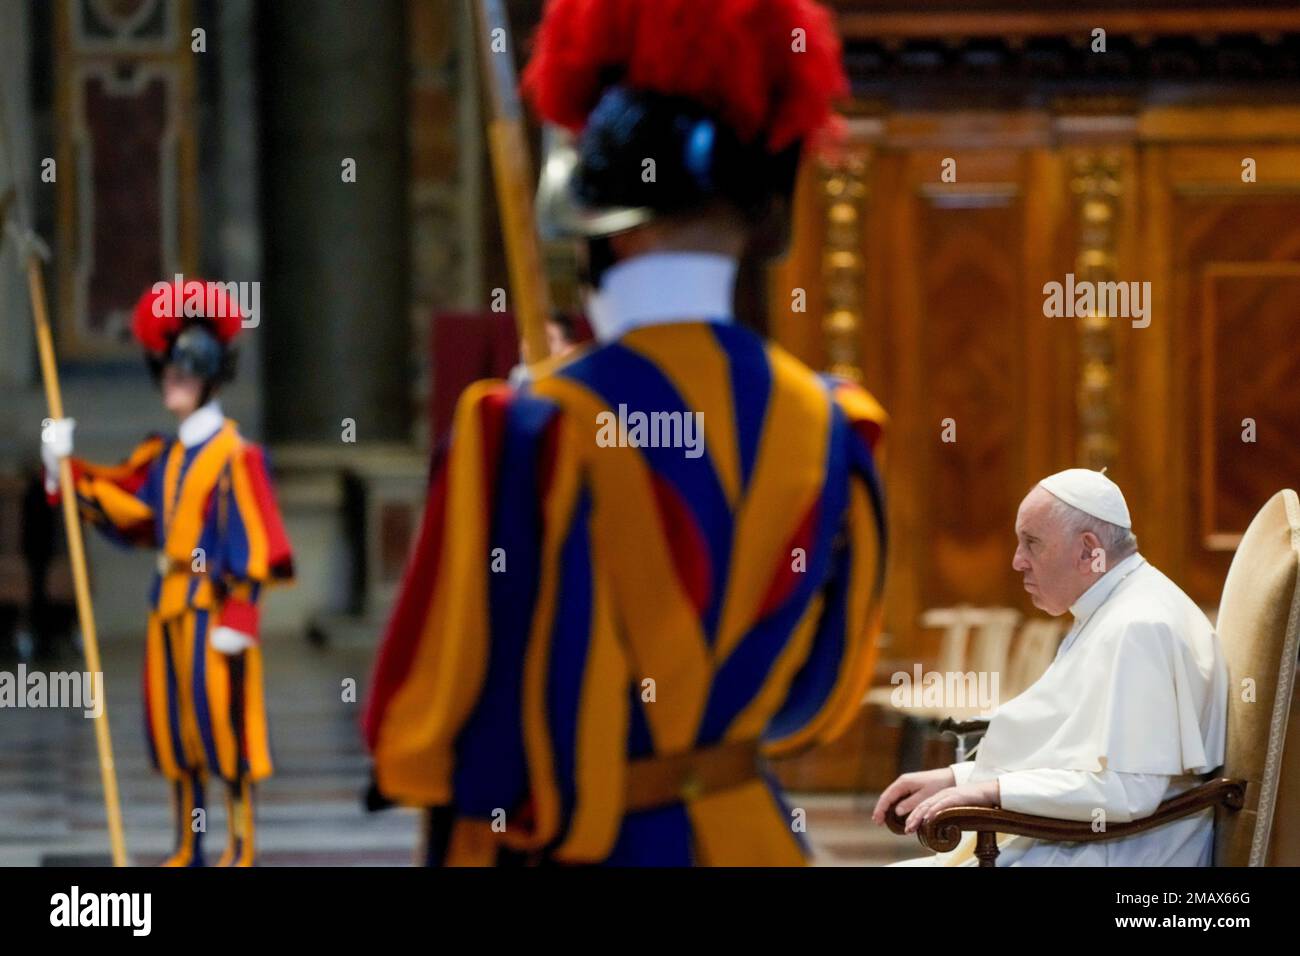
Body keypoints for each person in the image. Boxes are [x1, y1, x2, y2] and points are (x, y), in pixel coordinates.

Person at [364, 0, 889, 865]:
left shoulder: (527, 428)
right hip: (755, 837)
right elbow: (820, 701)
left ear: (601, 226)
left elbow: (430, 727)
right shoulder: (837, 424)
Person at [41, 278, 294, 866]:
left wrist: (242, 612)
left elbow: (254, 539)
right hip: (169, 605)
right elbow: (133, 509)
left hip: (212, 607)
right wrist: (66, 471)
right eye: (168, 372)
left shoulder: (236, 455)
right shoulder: (167, 455)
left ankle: (239, 846)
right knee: (177, 734)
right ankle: (188, 845)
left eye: (183, 372)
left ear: (208, 374)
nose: (171, 383)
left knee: (224, 734)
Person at [876, 468, 1228, 866]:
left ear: (1088, 550)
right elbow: (1067, 741)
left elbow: (1130, 791)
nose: (1017, 561)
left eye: (1032, 543)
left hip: (1123, 851)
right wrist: (959, 778)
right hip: (1086, 841)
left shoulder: (1139, 626)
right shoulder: (1113, 609)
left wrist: (989, 792)